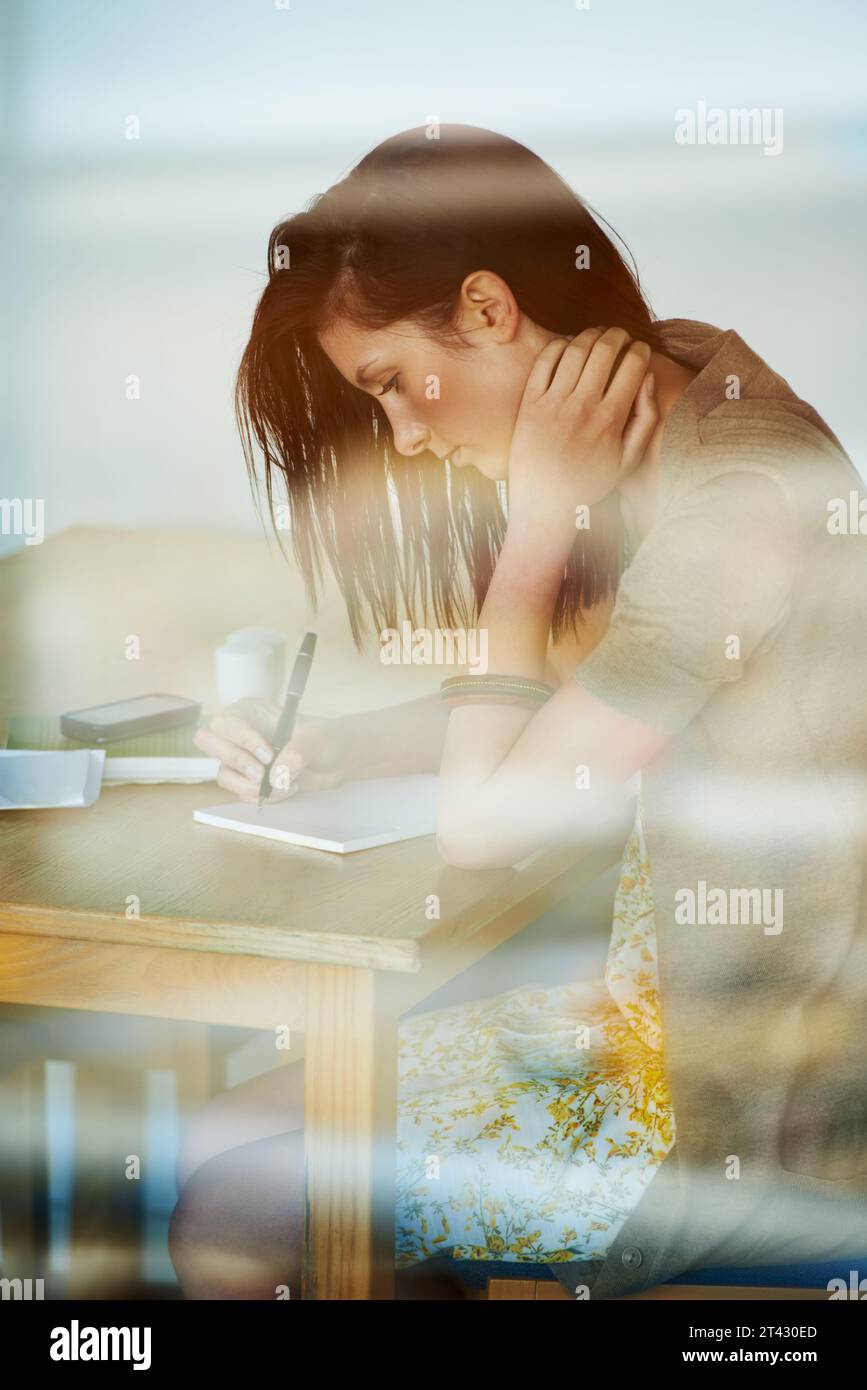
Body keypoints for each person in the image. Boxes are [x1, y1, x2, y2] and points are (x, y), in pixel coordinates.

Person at [170, 125, 867, 1300]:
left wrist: (541, 522)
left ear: (489, 311)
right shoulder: (680, 380)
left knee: (235, 1184)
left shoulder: (738, 502)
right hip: (662, 1028)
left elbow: (484, 827)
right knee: (231, 1137)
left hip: (753, 1108)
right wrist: (342, 743)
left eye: (391, 384)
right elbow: (597, 692)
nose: (404, 435)